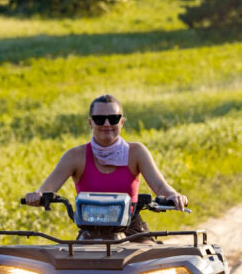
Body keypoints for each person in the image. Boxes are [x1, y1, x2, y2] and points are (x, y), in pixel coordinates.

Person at [25, 94, 187, 235]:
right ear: (90, 123)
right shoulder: (75, 156)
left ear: (122, 122)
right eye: (100, 119)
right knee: (70, 266)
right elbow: (48, 188)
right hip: (90, 229)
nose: (107, 124)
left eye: (114, 118)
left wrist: (173, 196)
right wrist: (37, 195)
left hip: (131, 228)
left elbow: (160, 186)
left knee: (152, 264)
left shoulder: (136, 152)